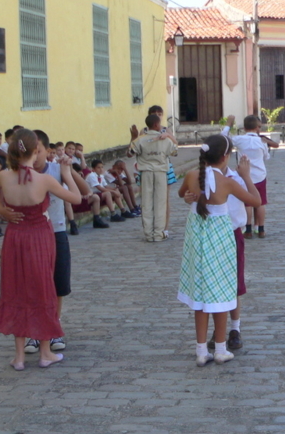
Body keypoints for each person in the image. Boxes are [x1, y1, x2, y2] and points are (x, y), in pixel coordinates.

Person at [0, 128, 81, 371]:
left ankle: (19, 357)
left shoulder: (4, 176)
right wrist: (66, 173)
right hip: (39, 237)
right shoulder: (43, 180)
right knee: (43, 289)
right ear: (34, 150)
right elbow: (76, 198)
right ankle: (45, 352)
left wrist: (1, 208)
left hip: (15, 236)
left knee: (17, 289)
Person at [177, 134, 261, 366]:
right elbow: (255, 200)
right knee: (222, 293)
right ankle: (221, 348)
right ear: (225, 157)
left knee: (200, 296)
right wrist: (246, 176)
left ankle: (201, 350)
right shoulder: (227, 182)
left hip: (197, 240)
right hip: (220, 241)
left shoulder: (192, 175)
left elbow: (182, 193)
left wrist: (188, 196)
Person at [12, 129, 90, 355]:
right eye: (31, 151)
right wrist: (4, 212)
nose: (34, 156)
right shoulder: (19, 174)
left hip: (55, 232)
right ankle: (33, 331)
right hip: (30, 235)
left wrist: (69, 172)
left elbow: (85, 191)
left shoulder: (56, 170)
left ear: (47, 151)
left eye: (38, 151)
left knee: (57, 284)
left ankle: (53, 327)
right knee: (32, 285)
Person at [221, 114, 277, 239]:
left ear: (244, 127)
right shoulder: (261, 141)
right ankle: (261, 229)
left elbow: (223, 138)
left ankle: (248, 229)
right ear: (257, 127)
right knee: (261, 202)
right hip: (260, 175)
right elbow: (266, 157)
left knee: (247, 203)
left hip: (244, 174)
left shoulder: (239, 139)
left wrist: (229, 124)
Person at [130, 105, 179, 239]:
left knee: (155, 201)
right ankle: (155, 232)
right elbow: (175, 151)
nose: (158, 115)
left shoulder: (161, 131)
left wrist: (167, 136)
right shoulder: (153, 134)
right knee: (155, 201)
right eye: (155, 113)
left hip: (153, 169)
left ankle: (156, 231)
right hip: (156, 169)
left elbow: (130, 152)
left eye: (159, 113)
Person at [85, 159, 128, 225]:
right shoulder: (91, 176)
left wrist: (115, 189)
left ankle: (123, 210)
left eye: (102, 167)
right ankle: (113, 214)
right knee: (108, 193)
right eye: (98, 167)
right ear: (93, 169)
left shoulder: (101, 176)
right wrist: (113, 192)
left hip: (99, 193)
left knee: (115, 191)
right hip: (92, 194)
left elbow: (106, 186)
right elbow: (100, 188)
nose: (101, 169)